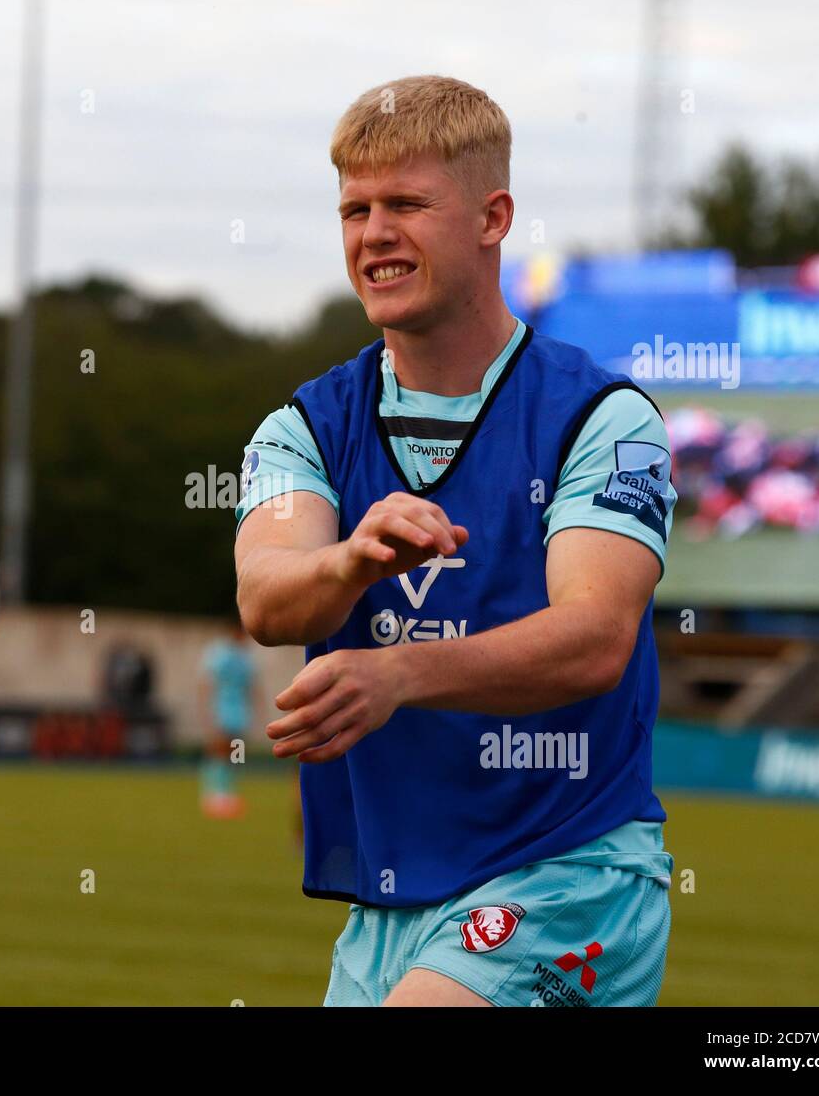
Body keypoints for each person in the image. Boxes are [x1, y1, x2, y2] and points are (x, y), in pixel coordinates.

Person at [233, 77, 678, 1007]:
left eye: (407, 204)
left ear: (492, 218)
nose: (374, 233)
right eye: (355, 209)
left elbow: (597, 636)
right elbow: (268, 597)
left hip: (569, 875)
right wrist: (348, 560)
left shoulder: (603, 418)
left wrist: (395, 674)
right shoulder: (304, 428)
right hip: (390, 904)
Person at [196, 619, 263, 819]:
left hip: (239, 711)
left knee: (236, 753)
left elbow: (252, 686)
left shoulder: (245, 658)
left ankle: (228, 792)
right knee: (219, 751)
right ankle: (213, 793)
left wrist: (258, 712)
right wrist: (206, 711)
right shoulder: (220, 654)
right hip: (222, 708)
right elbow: (207, 682)